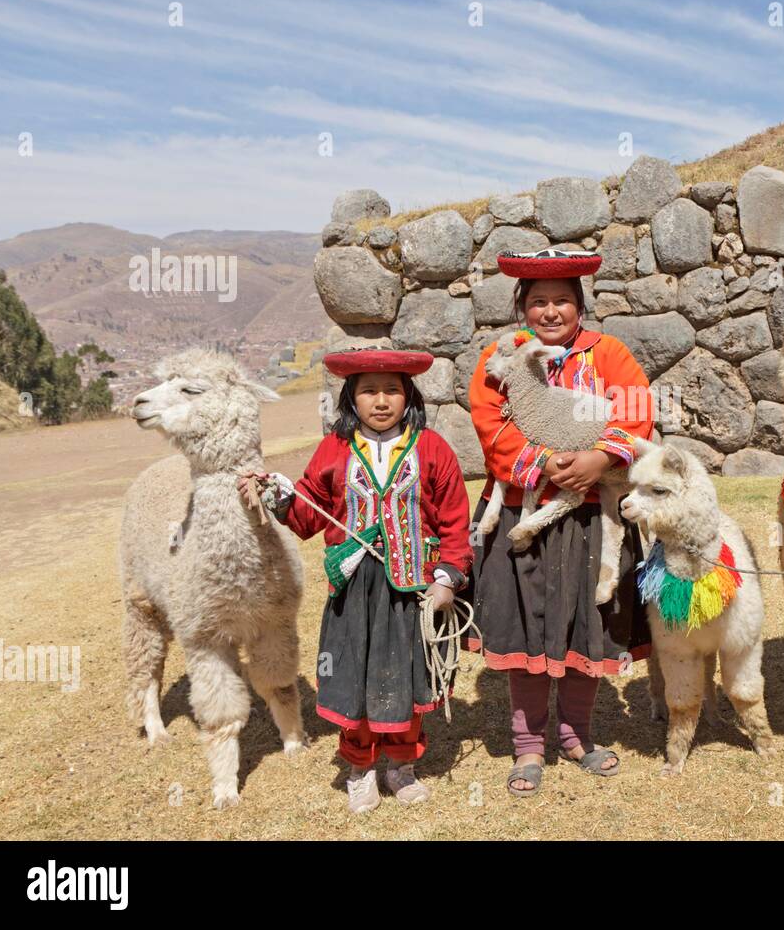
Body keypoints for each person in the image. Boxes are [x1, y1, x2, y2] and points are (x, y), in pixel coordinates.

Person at [238, 348, 472, 814]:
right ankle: (360, 768)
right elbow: (306, 517)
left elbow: (453, 519)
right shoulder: (333, 451)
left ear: (409, 397)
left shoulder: (432, 449)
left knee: (406, 679)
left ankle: (402, 766)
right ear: (351, 397)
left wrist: (447, 578)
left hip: (411, 591)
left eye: (392, 390)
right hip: (353, 593)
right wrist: (274, 492)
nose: (380, 401)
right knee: (353, 678)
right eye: (368, 391)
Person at [463, 248, 654, 797]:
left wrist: (600, 460)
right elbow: (490, 424)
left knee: (582, 624)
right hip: (524, 510)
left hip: (592, 512)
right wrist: (542, 463)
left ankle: (577, 735)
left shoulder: (608, 353)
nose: (551, 312)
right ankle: (527, 744)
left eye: (563, 301)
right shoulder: (501, 356)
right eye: (539, 301)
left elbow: (635, 410)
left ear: (579, 306)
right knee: (526, 624)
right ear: (522, 306)